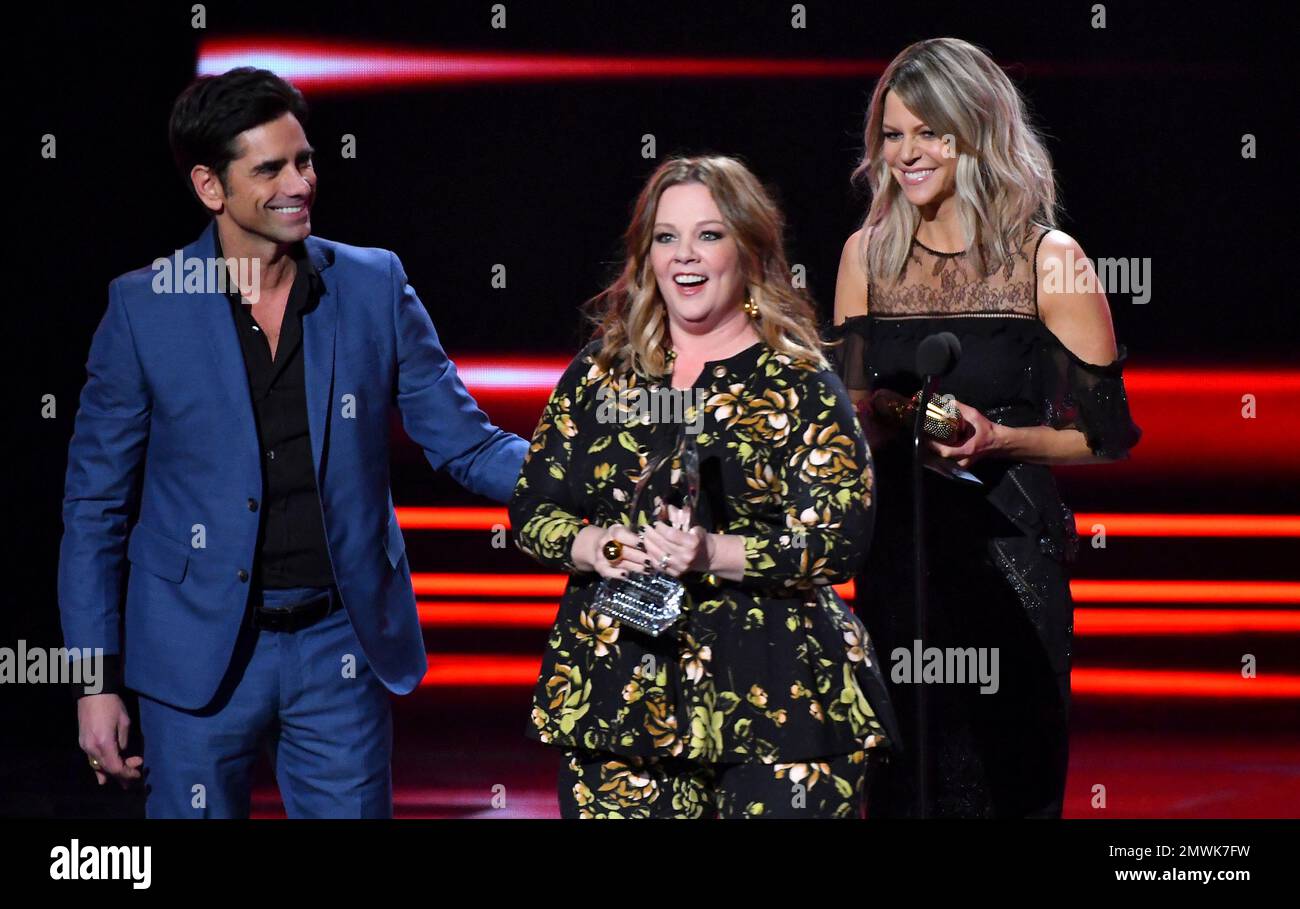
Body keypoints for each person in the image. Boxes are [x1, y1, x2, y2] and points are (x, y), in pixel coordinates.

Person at [57, 67, 527, 817]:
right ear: (211, 187)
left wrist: (587, 477)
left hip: (339, 644)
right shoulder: (144, 307)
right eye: (270, 168)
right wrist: (94, 681)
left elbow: (464, 444)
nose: (300, 182)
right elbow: (93, 508)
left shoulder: (372, 285)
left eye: (304, 160)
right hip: (193, 656)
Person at [509, 155, 899, 819]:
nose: (685, 257)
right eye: (667, 238)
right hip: (621, 693)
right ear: (645, 254)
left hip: (777, 697)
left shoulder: (799, 385)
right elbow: (530, 511)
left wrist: (711, 554)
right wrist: (599, 546)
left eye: (709, 235)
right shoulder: (602, 376)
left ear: (748, 248)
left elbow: (838, 542)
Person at [830, 37, 1142, 817]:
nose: (908, 153)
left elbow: (1108, 438)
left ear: (978, 133)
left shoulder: (1049, 261)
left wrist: (999, 440)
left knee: (1005, 783)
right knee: (905, 785)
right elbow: (850, 409)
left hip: (1009, 557)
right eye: (894, 135)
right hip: (901, 558)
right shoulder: (864, 256)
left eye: (931, 132)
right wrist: (891, 417)